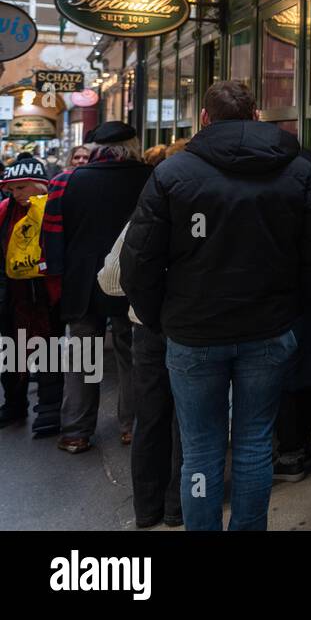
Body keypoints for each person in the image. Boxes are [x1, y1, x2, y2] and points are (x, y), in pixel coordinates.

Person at [121, 81, 311, 531]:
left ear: (204, 119)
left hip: (194, 332)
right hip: (268, 329)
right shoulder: (297, 170)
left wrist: (160, 318)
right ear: (256, 115)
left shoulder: (174, 173)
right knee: (254, 444)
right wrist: (293, 312)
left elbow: (137, 262)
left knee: (201, 449)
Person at [42, 122, 151, 454]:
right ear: (133, 145)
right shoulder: (151, 179)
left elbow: (52, 237)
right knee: (131, 354)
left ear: (94, 149)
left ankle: (76, 430)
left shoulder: (67, 181)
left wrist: (56, 280)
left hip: (82, 281)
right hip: (132, 279)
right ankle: (132, 426)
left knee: (82, 355)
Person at [98, 138, 186, 529]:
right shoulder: (221, 208)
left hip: (149, 327)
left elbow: (111, 280)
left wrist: (149, 299)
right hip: (195, 329)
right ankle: (178, 505)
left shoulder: (149, 211)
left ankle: (148, 508)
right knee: (190, 420)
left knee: (152, 416)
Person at [272, 151, 311, 483]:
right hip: (304, 309)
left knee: (290, 380)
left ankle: (291, 451)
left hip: (290, 310)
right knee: (298, 380)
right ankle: (294, 449)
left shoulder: (287, 216)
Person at [0, 155, 61, 436]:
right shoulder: (4, 211)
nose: (15, 194)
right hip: (14, 296)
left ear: (38, 184)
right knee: (10, 352)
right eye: (11, 189)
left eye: (20, 188)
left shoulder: (54, 207)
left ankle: (49, 411)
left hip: (48, 295)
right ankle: (14, 404)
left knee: (48, 351)